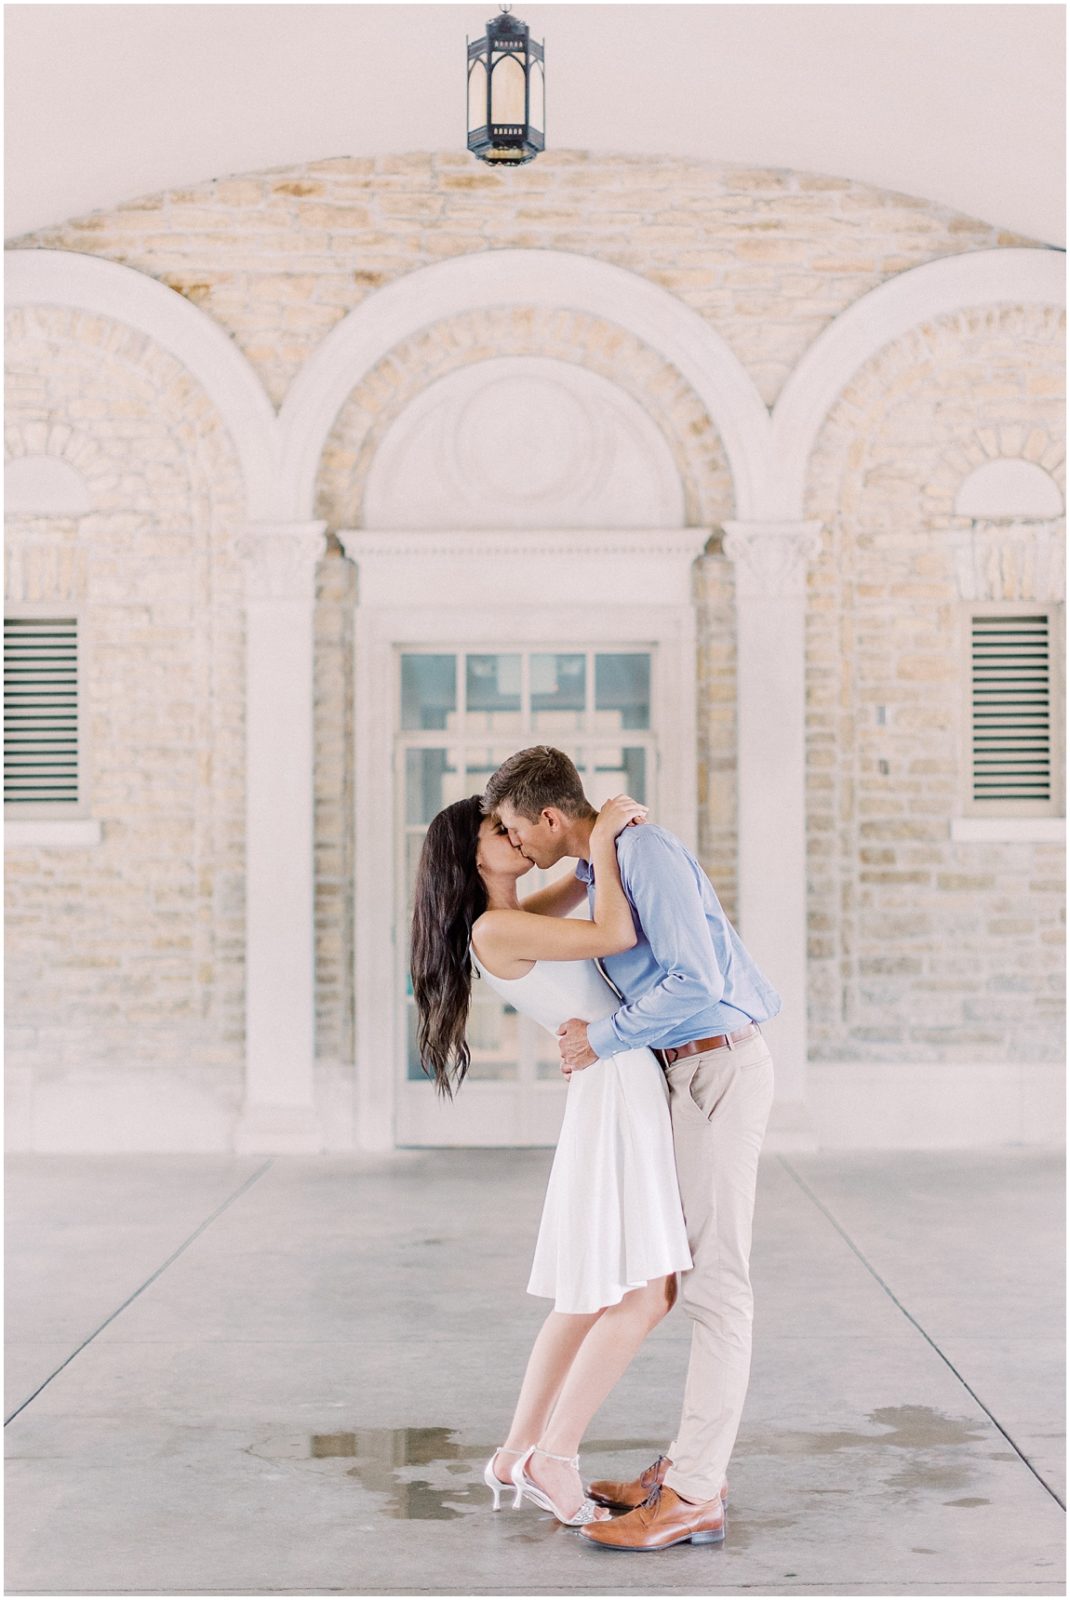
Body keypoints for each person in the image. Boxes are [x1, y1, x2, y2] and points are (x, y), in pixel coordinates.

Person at [482, 745, 781, 1553]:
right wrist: (589, 856)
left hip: (717, 1064)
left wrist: (601, 1039)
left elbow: (693, 976)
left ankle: (693, 1494)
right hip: (679, 1072)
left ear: (548, 817)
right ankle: (686, 1468)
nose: (514, 845)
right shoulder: (601, 861)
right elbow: (535, 922)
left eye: (515, 830)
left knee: (717, 1285)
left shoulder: (640, 849)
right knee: (682, 1276)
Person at [409, 791, 694, 1530]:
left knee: (592, 1294)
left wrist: (597, 831)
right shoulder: (496, 927)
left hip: (611, 1080)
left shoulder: (514, 915)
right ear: (472, 858)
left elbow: (578, 886)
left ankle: (516, 1452)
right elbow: (613, 929)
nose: (513, 834)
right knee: (647, 1292)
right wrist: (601, 843)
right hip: (615, 1083)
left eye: (513, 823)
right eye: (496, 830)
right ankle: (554, 1454)